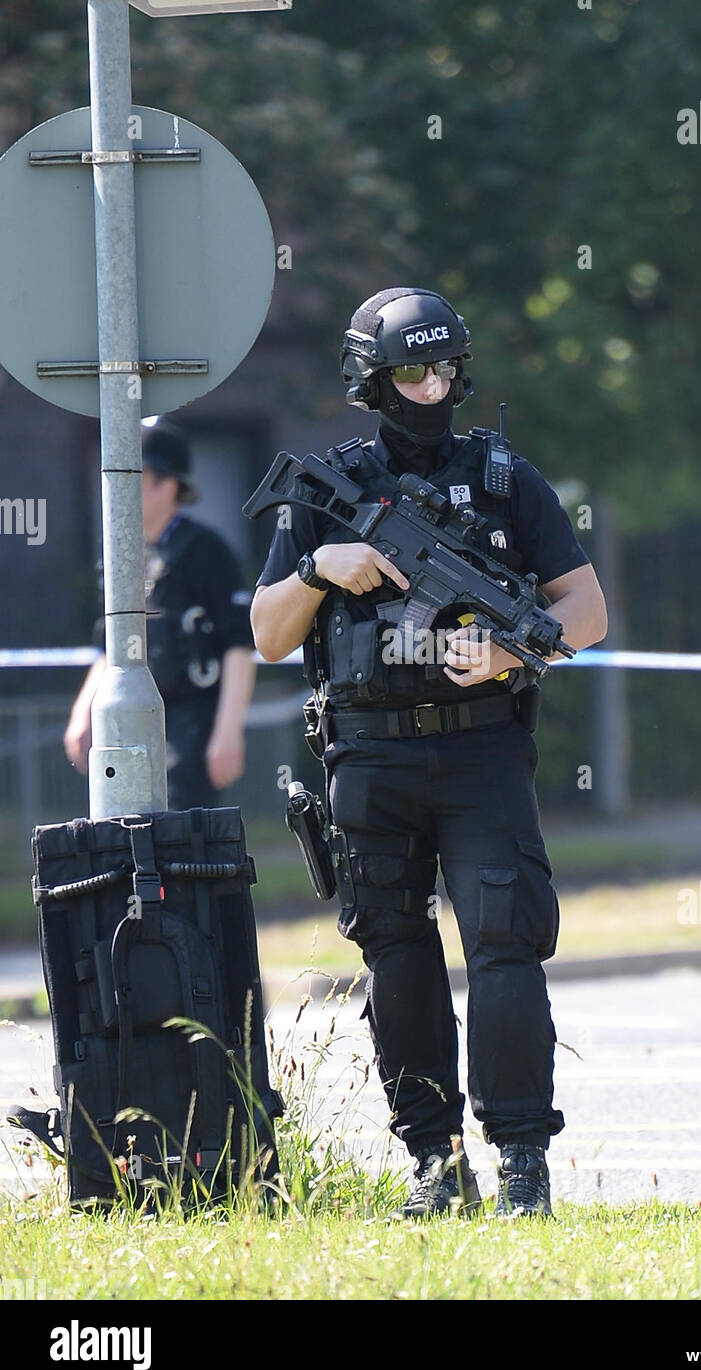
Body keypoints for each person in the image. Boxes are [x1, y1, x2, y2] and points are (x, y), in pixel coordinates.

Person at [251, 287, 608, 1217]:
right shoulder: (330, 486)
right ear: (372, 380)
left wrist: (510, 650)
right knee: (396, 956)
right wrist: (315, 569)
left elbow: (588, 610)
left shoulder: (504, 481)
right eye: (413, 369)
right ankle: (434, 1163)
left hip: (483, 751)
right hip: (369, 758)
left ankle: (521, 1157)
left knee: (505, 944)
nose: (433, 386)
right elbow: (268, 637)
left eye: (447, 368)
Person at [64, 419, 256, 810]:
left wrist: (228, 730)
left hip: (191, 720)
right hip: (129, 718)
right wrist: (82, 712)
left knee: (185, 839)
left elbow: (239, 644)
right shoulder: (119, 556)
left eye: (133, 476)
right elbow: (109, 650)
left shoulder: (206, 551)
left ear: (166, 485)